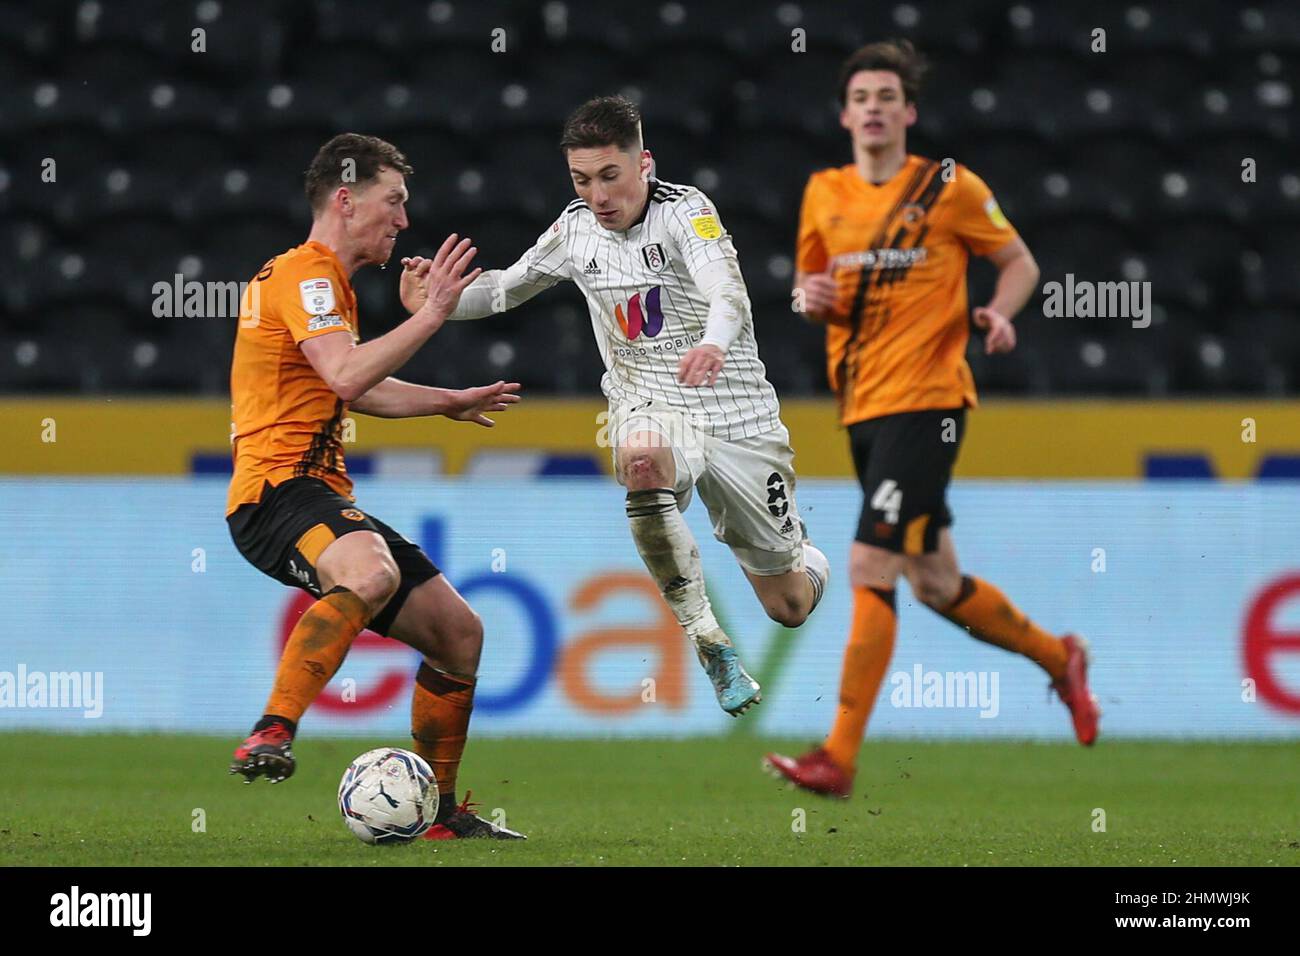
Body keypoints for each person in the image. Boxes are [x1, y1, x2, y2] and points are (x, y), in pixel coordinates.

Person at [401, 96, 830, 717]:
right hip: (648, 402)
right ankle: (709, 642)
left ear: (643, 163)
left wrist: (713, 344)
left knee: (788, 606)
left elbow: (728, 294)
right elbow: (502, 290)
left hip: (738, 415)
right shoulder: (574, 229)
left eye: (610, 176)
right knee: (642, 461)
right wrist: (435, 304)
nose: (598, 196)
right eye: (582, 180)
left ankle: (804, 556)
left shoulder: (686, 212)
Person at [765, 40, 1100, 798]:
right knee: (936, 583)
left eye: (887, 97)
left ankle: (838, 756)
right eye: (861, 98)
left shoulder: (948, 187)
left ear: (908, 112)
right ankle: (1061, 658)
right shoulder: (823, 192)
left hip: (930, 402)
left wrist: (1001, 314)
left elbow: (1020, 263)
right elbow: (810, 288)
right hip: (863, 407)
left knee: (868, 565)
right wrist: (805, 298)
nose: (874, 109)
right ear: (845, 115)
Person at [226, 132, 524, 839]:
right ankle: (272, 729)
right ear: (345, 199)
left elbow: (356, 386)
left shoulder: (324, 282)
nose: (403, 219)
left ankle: (441, 815)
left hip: (315, 491)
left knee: (458, 633)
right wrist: (433, 313)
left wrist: (448, 401)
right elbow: (346, 375)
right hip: (276, 490)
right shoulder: (307, 273)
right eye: (393, 201)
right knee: (370, 571)